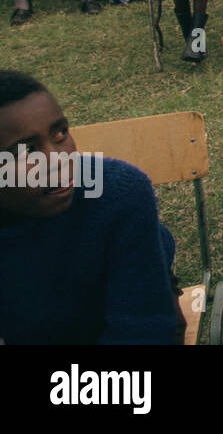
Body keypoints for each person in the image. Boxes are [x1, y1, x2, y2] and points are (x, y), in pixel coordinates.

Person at [0, 71, 184, 344]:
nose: (58, 161)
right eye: (27, 150)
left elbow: (146, 330)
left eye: (60, 133)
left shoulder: (117, 194)